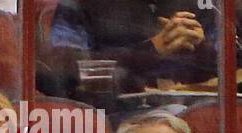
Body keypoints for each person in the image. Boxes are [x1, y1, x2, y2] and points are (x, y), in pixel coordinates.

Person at [46, 1, 223, 97]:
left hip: (196, 109)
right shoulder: (81, 4)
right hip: (116, 112)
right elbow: (66, 70)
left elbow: (234, 66)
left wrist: (201, 49)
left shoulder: (207, 5)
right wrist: (151, 51)